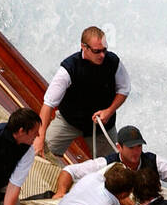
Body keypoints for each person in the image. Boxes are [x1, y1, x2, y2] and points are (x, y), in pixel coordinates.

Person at [33, 26, 130, 160]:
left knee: (113, 167)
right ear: (84, 47)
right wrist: (40, 137)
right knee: (41, 152)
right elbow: (48, 104)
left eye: (104, 50)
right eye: (97, 51)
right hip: (69, 121)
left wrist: (109, 111)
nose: (102, 55)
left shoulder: (113, 62)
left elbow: (124, 90)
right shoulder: (69, 68)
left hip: (102, 125)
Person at [52, 125, 167, 199]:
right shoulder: (106, 164)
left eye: (139, 146)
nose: (136, 151)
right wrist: (60, 193)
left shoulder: (154, 160)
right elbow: (69, 171)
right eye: (131, 147)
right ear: (119, 147)